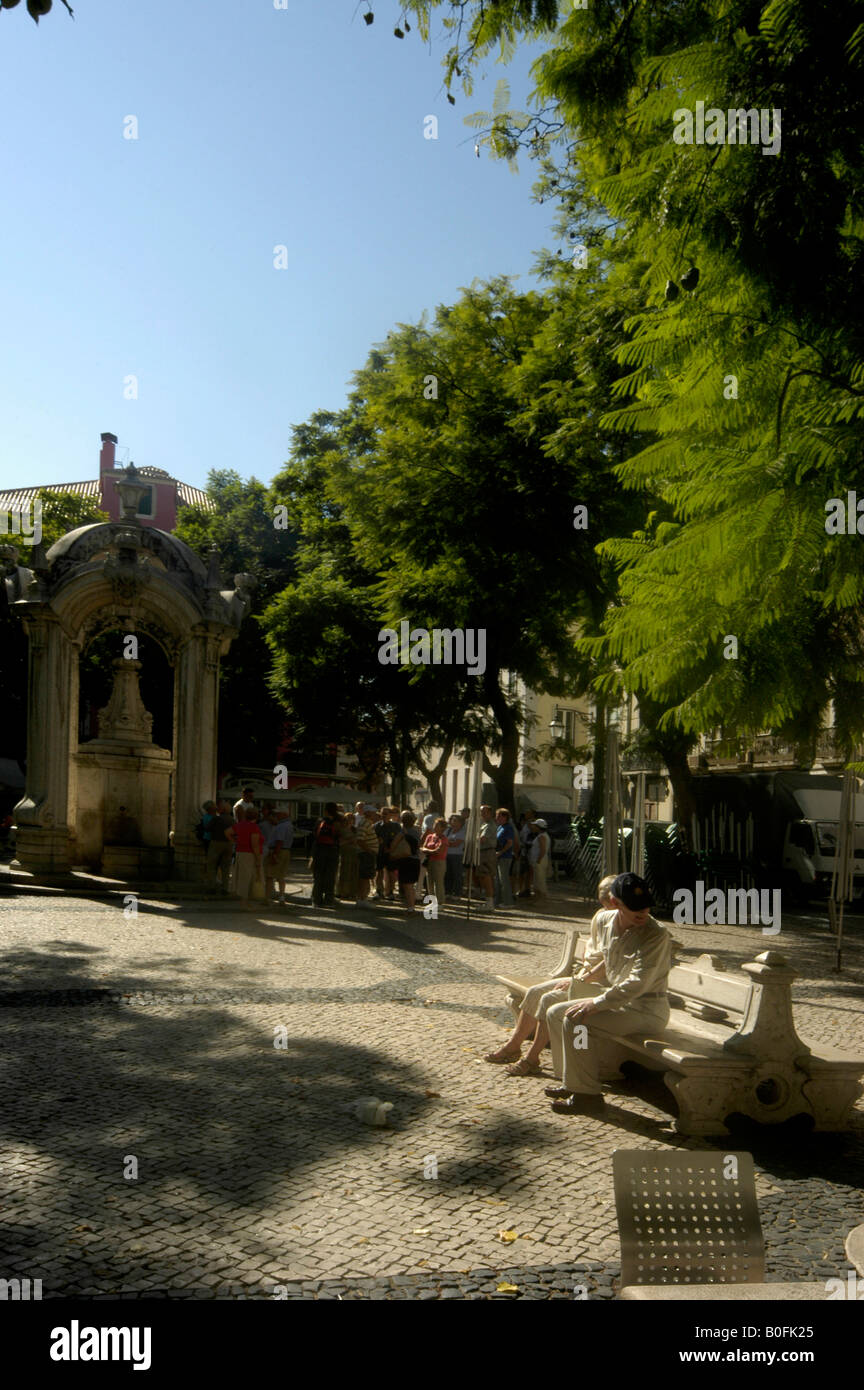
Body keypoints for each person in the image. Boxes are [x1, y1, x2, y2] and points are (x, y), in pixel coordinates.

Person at [545, 872, 672, 1116]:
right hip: (619, 1002)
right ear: (615, 903)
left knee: (575, 1021)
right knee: (555, 1012)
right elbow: (605, 961)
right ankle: (571, 1082)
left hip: (646, 1010)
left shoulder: (656, 933)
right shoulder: (604, 921)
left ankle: (587, 1096)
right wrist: (584, 983)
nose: (643, 912)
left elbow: (638, 982)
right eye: (635, 908)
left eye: (646, 906)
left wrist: (596, 1002)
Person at [484, 875, 616, 1074]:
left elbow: (607, 964)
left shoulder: (624, 923)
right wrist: (577, 977)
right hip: (584, 976)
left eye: (610, 904)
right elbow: (591, 954)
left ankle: (532, 1057)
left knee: (550, 999)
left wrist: (577, 982)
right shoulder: (601, 916)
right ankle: (513, 1046)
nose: (607, 909)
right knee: (535, 991)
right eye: (604, 904)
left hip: (603, 985)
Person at [310, 802, 341, 908]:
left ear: (325, 810)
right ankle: (329, 900)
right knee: (330, 876)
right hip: (333, 851)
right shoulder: (338, 821)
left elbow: (314, 836)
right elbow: (340, 837)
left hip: (319, 850)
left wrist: (313, 854)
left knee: (318, 875)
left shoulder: (320, 821)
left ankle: (316, 900)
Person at [232, 806, 264, 908]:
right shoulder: (253, 827)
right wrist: (258, 859)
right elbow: (255, 844)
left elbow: (227, 832)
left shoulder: (240, 825)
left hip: (240, 853)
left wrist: (236, 842)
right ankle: (244, 902)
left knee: (243, 877)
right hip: (249, 854)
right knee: (248, 878)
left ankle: (245, 901)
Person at [391, 809, 421, 914]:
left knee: (407, 886)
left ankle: (410, 908)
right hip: (416, 860)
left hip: (406, 860)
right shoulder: (417, 832)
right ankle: (411, 906)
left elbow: (394, 844)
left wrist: (391, 853)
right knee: (410, 885)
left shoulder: (402, 832)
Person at [265, 807, 294, 904]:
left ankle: (267, 898)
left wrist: (274, 855)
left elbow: (279, 841)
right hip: (286, 851)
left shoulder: (282, 826)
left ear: (284, 814)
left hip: (279, 851)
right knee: (281, 876)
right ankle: (281, 896)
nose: (276, 815)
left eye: (278, 814)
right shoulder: (289, 825)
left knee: (270, 876)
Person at [206, 798, 235, 892]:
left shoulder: (216, 818)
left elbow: (207, 828)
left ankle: (212, 886)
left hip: (216, 843)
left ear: (222, 809)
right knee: (226, 867)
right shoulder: (232, 819)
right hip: (229, 844)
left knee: (212, 865)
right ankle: (225, 888)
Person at [353, 804, 379, 906]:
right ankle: (362, 898)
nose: (375, 814)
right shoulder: (365, 823)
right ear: (368, 813)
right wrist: (369, 850)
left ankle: (362, 898)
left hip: (366, 853)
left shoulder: (366, 822)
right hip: (366, 854)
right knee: (364, 876)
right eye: (373, 812)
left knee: (365, 876)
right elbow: (360, 840)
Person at [420, 816, 448, 908]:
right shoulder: (430, 836)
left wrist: (428, 851)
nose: (434, 827)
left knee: (438, 882)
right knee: (430, 882)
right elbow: (423, 847)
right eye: (434, 825)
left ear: (443, 828)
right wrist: (430, 851)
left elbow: (438, 851)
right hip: (430, 861)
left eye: (437, 825)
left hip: (439, 862)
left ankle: (439, 902)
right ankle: (432, 901)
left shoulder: (444, 839)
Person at [475, 804, 497, 910]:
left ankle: (490, 902)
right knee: (483, 877)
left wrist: (474, 838)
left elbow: (482, 839)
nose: (482, 814)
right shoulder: (484, 824)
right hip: (483, 852)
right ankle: (488, 900)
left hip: (487, 852)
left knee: (486, 876)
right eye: (481, 812)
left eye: (485, 812)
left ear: (490, 813)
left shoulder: (490, 825)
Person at [495, 808, 516, 906]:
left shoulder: (508, 828)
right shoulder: (500, 827)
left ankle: (508, 902)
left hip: (505, 857)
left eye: (499, 816)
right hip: (498, 857)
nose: (497, 818)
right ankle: (498, 900)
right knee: (498, 880)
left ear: (505, 817)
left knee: (504, 880)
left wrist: (500, 852)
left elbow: (509, 843)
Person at [336, 811, 359, 900]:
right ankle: (342, 892)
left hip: (354, 853)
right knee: (344, 872)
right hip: (344, 853)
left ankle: (352, 892)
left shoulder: (355, 829)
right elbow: (340, 842)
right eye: (348, 818)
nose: (350, 820)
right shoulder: (341, 829)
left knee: (353, 873)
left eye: (352, 818)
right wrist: (350, 840)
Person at [444, 813, 466, 900]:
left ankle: (457, 893)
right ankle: (448, 891)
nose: (452, 822)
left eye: (454, 820)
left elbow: (456, 844)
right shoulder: (448, 830)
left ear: (460, 823)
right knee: (448, 874)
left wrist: (446, 843)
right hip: (447, 854)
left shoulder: (462, 832)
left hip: (457, 855)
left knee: (457, 874)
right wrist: (448, 843)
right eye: (452, 820)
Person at [529, 818, 551, 898]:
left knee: (539, 879)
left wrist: (538, 860)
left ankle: (541, 897)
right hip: (540, 860)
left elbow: (543, 849)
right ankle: (539, 897)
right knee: (538, 879)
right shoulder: (542, 835)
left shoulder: (541, 836)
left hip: (540, 860)